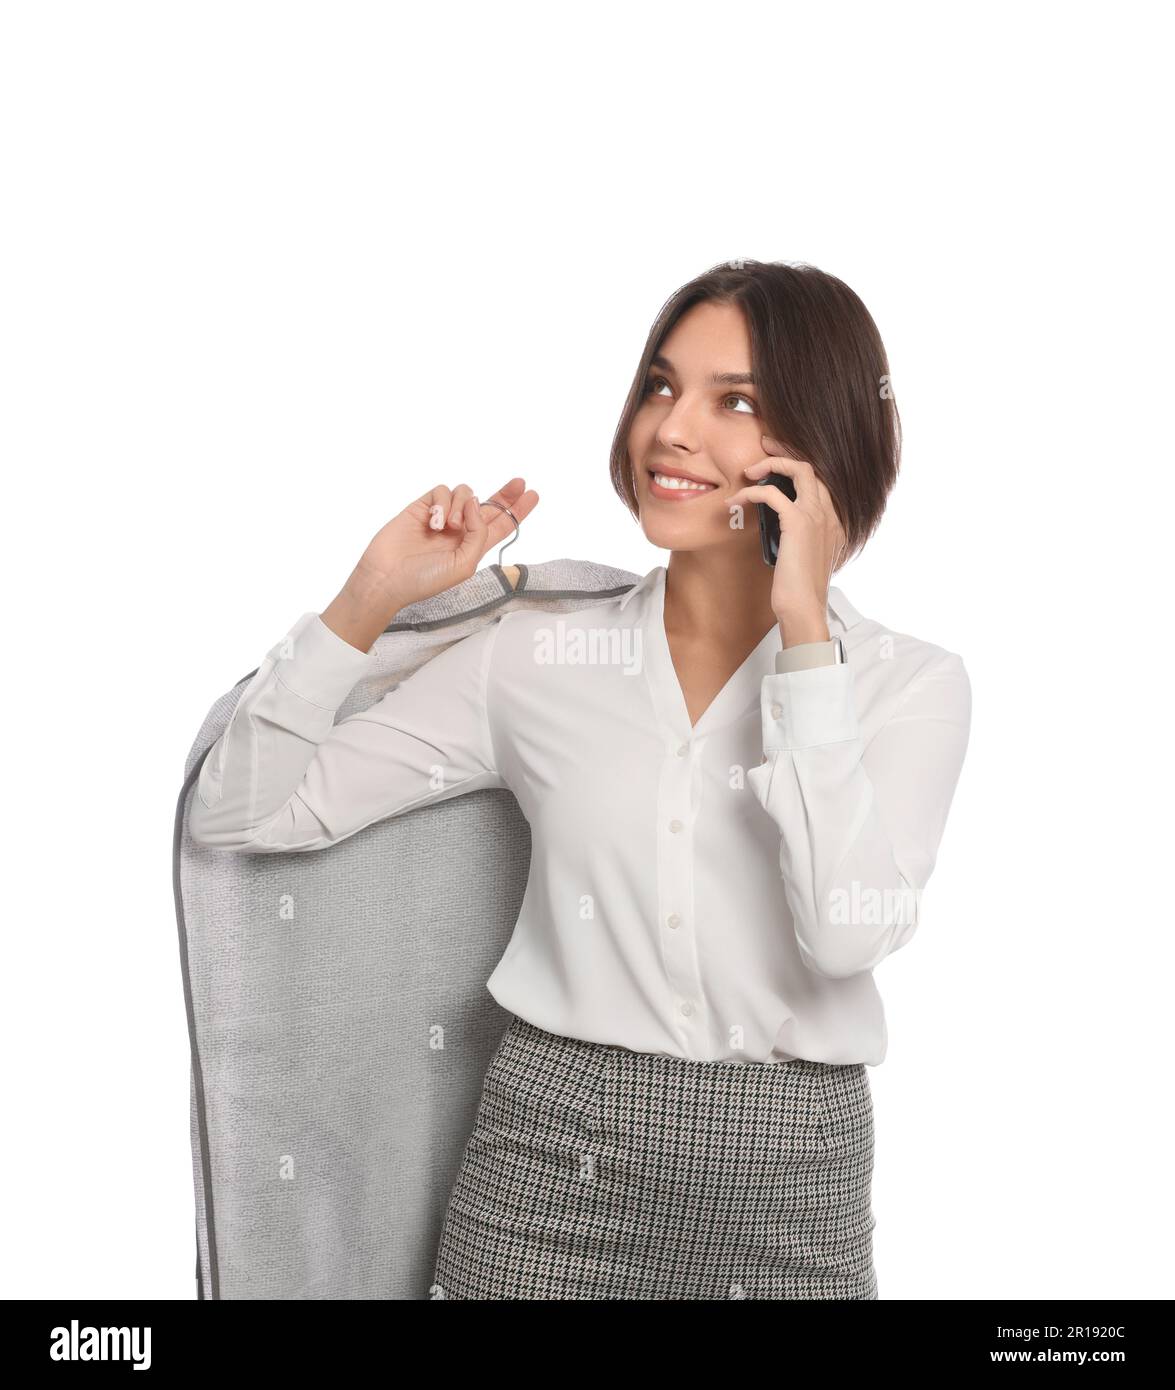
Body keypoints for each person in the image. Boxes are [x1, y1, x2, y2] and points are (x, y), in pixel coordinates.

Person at [189, 259, 972, 1300]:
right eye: (659, 384)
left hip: (792, 1180)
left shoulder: (906, 685)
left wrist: (805, 641)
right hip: (553, 1163)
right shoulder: (534, 659)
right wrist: (372, 592)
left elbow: (843, 933)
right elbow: (246, 810)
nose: (670, 429)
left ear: (824, 442)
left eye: (731, 400)